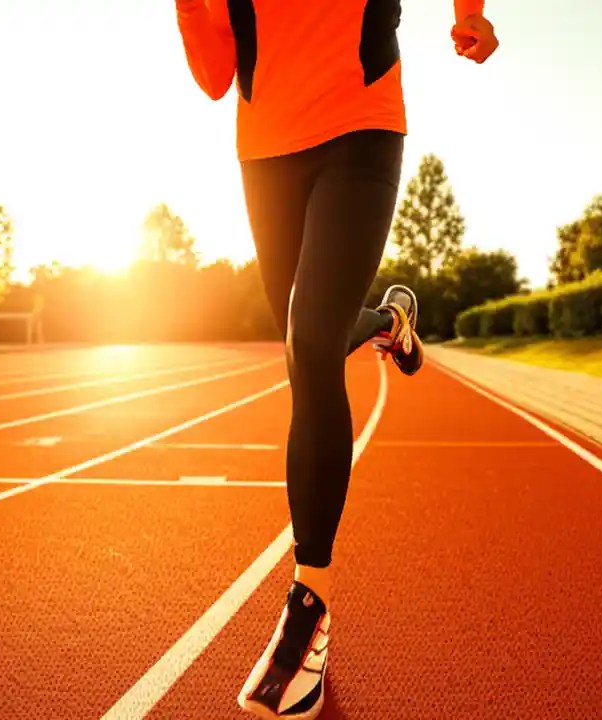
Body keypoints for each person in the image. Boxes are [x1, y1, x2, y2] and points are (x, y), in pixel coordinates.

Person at [173, 1, 499, 717]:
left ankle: (309, 606)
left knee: (312, 343)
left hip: (360, 122)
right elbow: (214, 76)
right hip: (264, 149)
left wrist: (472, 12)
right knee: (303, 335)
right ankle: (391, 319)